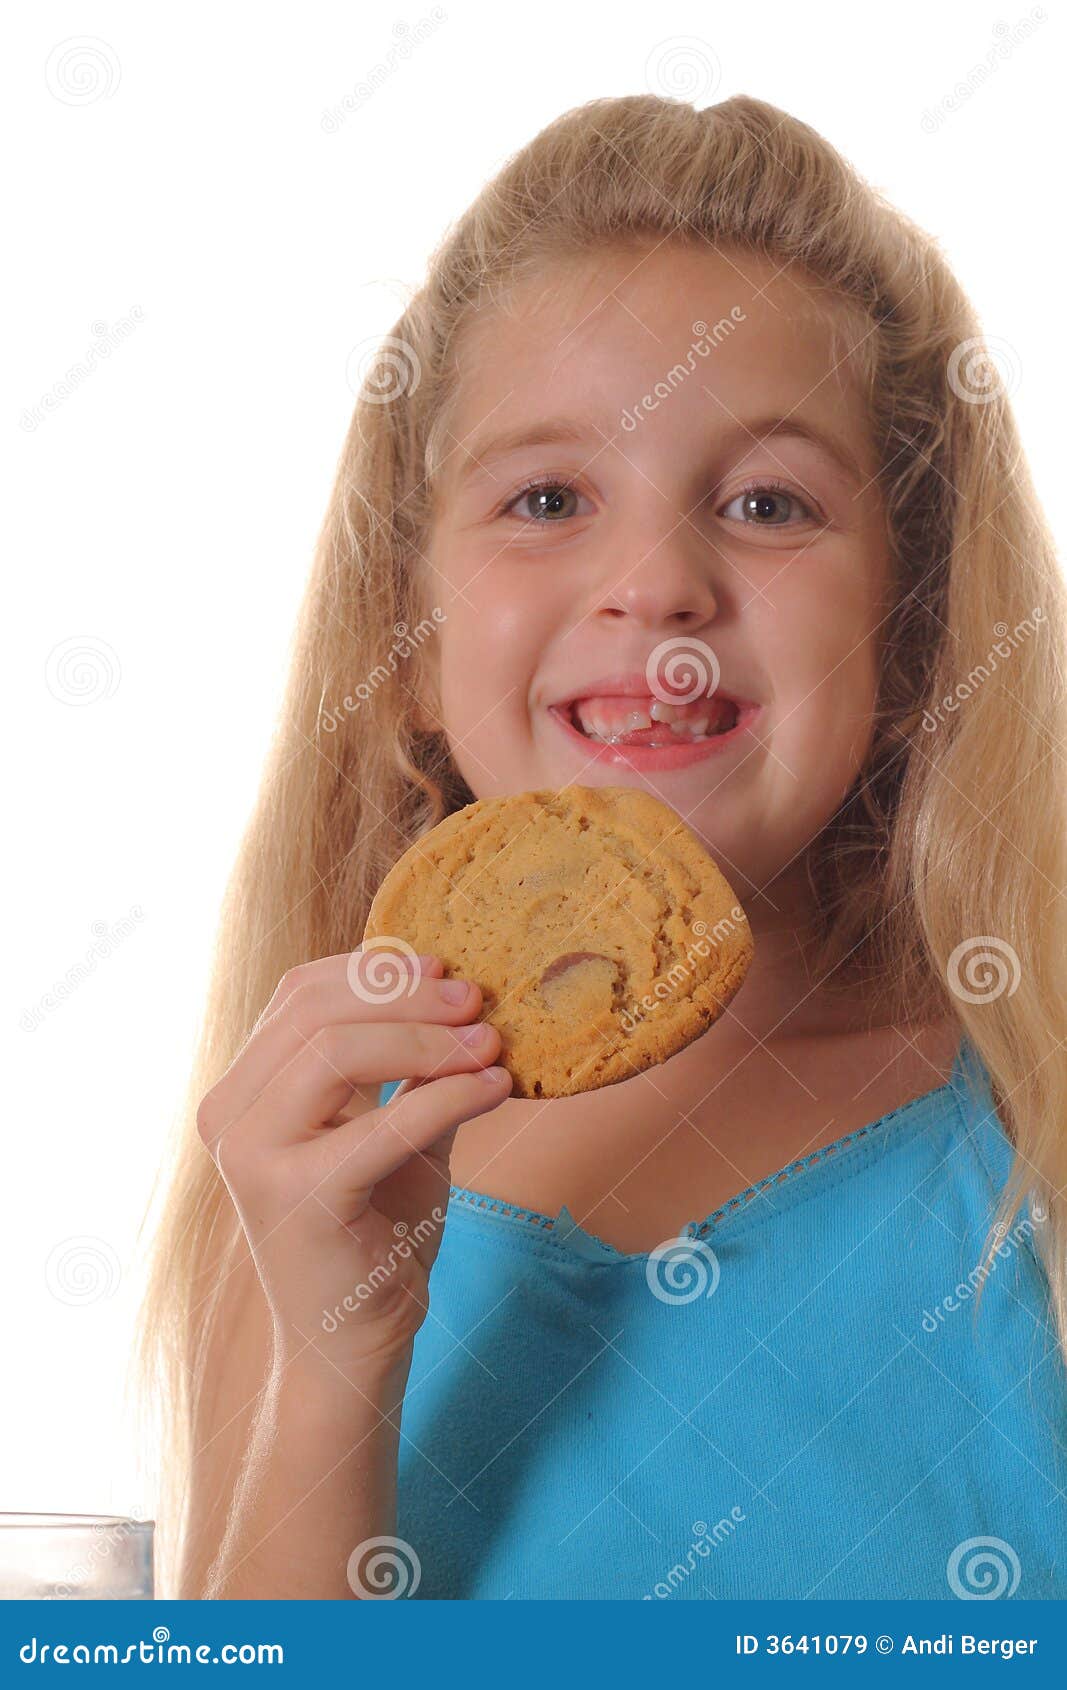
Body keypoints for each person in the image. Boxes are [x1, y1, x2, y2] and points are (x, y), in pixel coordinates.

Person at [135, 93, 1067, 1600]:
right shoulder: (310, 1182)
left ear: (912, 624)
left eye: (769, 502)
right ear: (409, 630)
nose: (656, 585)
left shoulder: (1042, 1141)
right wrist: (330, 1363)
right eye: (548, 498)